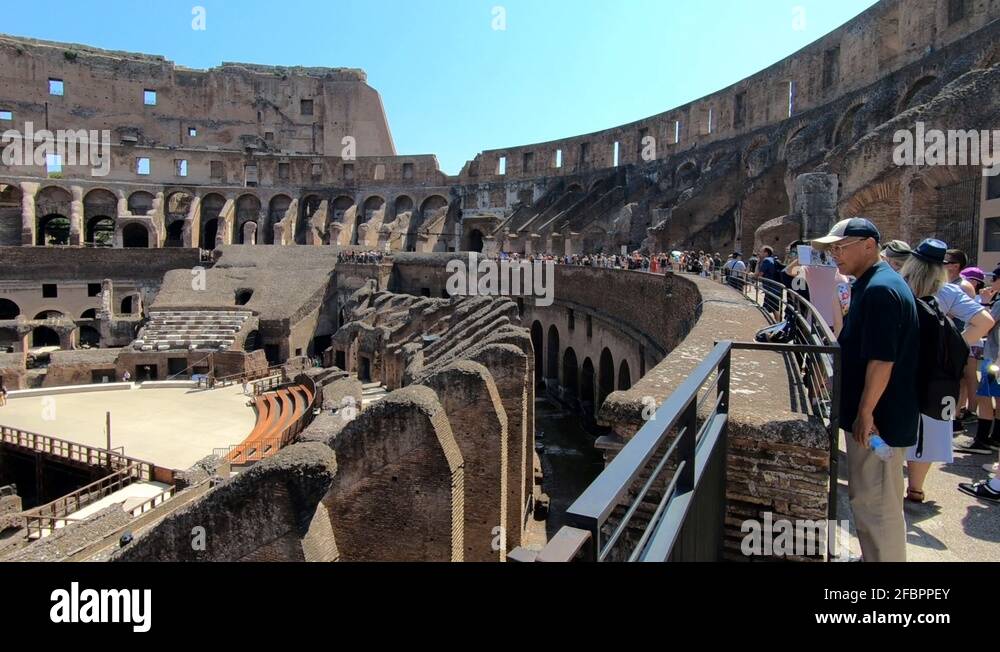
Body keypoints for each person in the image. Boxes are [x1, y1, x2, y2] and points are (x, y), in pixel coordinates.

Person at [813, 217, 919, 562]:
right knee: (868, 498)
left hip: (879, 422)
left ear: (869, 245)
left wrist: (865, 413)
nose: (834, 256)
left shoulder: (880, 291)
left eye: (839, 248)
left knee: (878, 504)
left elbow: (882, 361)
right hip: (878, 417)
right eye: (830, 250)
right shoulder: (872, 284)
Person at [898, 239, 994, 504]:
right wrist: (955, 346)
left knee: (893, 419)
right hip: (936, 370)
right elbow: (984, 321)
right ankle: (915, 488)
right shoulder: (948, 292)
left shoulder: (898, 286)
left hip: (900, 364)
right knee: (928, 425)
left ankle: (891, 479)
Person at [956, 269, 1000, 456]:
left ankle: (982, 440)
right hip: (995, 357)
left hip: (995, 358)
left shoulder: (998, 303)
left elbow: (985, 326)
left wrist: (983, 302)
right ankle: (995, 437)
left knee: (985, 398)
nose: (992, 282)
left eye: (995, 278)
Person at [757, 246, 783, 320]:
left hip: (771, 289)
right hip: (776, 288)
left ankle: (778, 325)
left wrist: (758, 263)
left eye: (761, 252)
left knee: (774, 309)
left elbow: (759, 275)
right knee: (771, 308)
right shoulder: (774, 260)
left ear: (766, 253)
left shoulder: (766, 260)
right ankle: (776, 324)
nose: (759, 253)